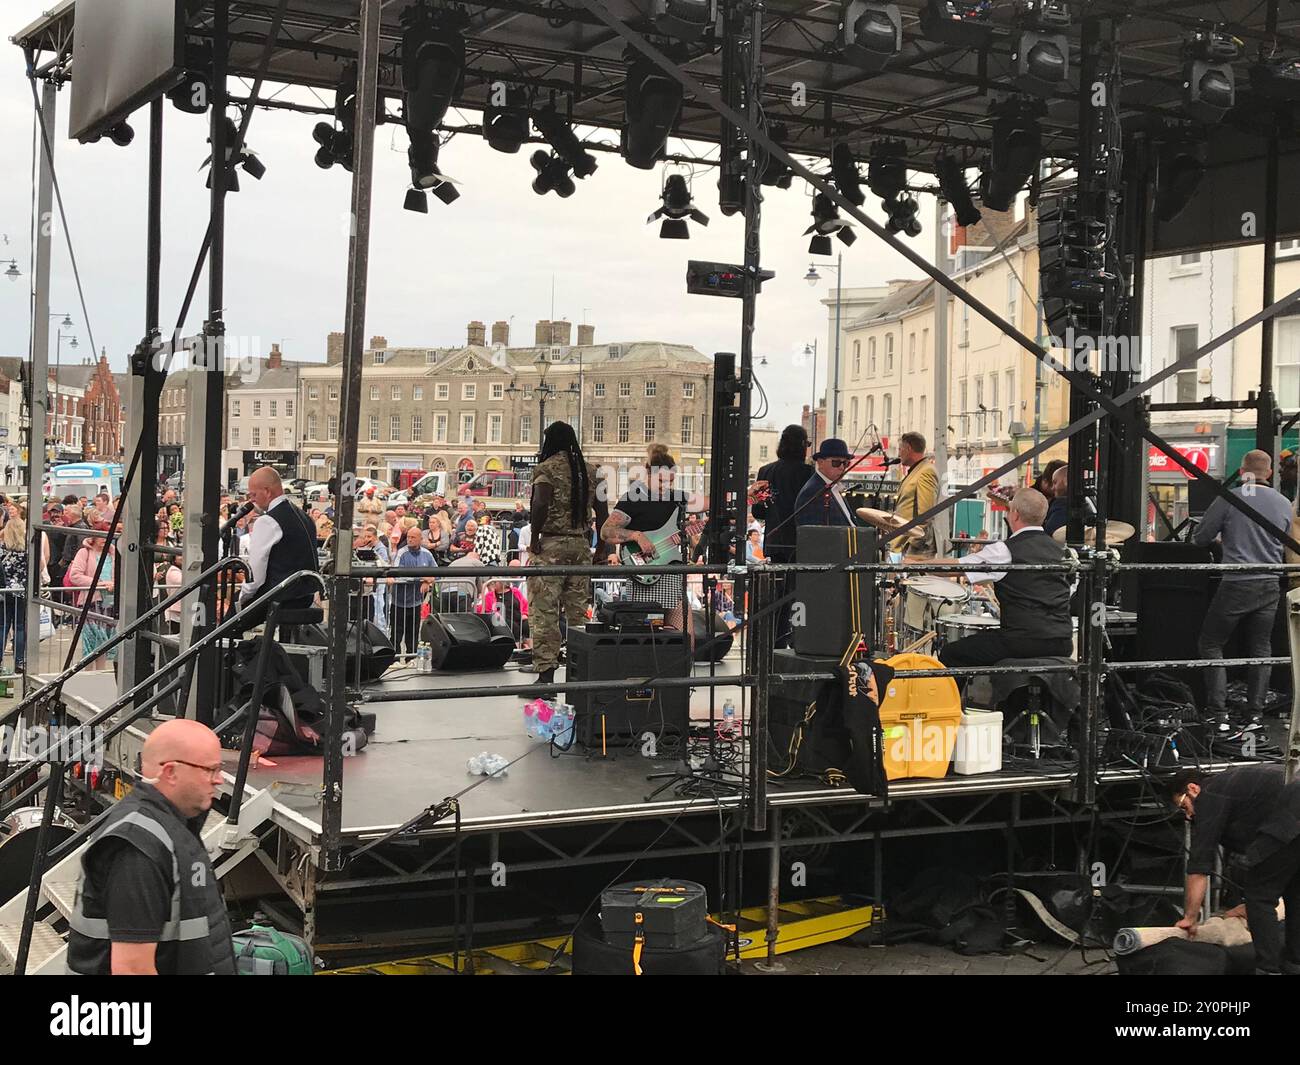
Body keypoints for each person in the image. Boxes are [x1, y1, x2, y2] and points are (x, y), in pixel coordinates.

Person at [66, 718, 235, 975]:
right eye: (210, 770)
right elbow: (132, 969)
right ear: (171, 772)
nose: (219, 779)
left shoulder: (173, 827)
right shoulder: (138, 847)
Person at [1193, 449, 1292, 728]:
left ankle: (1218, 712)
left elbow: (1201, 538)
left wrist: (1224, 543)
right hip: (1270, 582)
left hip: (1237, 582)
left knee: (1211, 643)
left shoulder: (1231, 497)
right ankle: (1255, 714)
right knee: (1261, 648)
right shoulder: (1284, 503)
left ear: (1241, 471)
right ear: (1270, 473)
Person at [1170, 766, 1300, 975]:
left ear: (1193, 788)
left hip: (1288, 822)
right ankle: (1295, 962)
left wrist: (1190, 917)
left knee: (1260, 897)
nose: (1188, 816)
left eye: (1184, 806)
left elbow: (1200, 863)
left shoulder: (1210, 794)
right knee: (1295, 893)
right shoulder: (1232, 782)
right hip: (1292, 817)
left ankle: (1268, 968)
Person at [936, 487, 1073, 669]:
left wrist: (914, 564)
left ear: (1014, 515)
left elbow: (955, 567)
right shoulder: (1061, 551)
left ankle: (973, 697)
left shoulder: (1005, 551)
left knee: (951, 653)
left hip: (1022, 641)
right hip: (1062, 641)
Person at [527, 422, 608, 690]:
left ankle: (546, 674)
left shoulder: (546, 468)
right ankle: (582, 673)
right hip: (581, 547)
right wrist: (603, 547)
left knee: (544, 612)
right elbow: (603, 511)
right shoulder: (592, 471)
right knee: (578, 614)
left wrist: (535, 536)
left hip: (550, 545)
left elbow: (540, 502)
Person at [601, 449, 700, 635]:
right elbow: (606, 532)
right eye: (661, 480)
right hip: (644, 577)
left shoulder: (676, 498)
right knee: (646, 639)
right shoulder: (633, 497)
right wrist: (636, 536)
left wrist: (746, 496)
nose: (665, 485)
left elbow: (709, 502)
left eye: (670, 481)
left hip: (671, 573)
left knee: (685, 639)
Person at [236, 466, 321, 626]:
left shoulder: (267, 521)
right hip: (304, 596)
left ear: (267, 491)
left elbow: (256, 577)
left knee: (227, 625)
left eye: (253, 494)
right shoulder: (304, 517)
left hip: (278, 597)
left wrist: (241, 598)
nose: (251, 500)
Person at [751, 424, 810, 564]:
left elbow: (758, 511)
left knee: (777, 583)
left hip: (774, 542)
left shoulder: (765, 471)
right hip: (800, 542)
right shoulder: (808, 473)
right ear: (802, 445)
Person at [66, 532, 118, 671]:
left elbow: (120, 574)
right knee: (90, 638)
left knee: (104, 638)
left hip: (109, 600)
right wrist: (100, 584)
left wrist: (114, 583)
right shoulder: (84, 553)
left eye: (107, 537)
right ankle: (88, 672)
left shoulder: (113, 553)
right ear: (93, 538)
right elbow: (75, 576)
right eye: (101, 537)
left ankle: (100, 671)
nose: (104, 540)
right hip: (90, 600)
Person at [794, 438, 862, 528]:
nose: (842, 467)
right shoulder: (812, 492)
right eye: (836, 462)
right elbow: (814, 535)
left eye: (845, 463)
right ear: (820, 462)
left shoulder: (834, 488)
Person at [891, 432, 938, 559]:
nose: (899, 453)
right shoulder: (918, 470)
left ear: (909, 448)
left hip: (914, 550)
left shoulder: (925, 472)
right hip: (905, 546)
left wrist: (910, 543)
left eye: (900, 449)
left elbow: (926, 514)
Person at [390, 525, 434, 656]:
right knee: (396, 632)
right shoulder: (401, 553)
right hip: (399, 601)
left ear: (421, 539)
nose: (409, 539)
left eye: (413, 537)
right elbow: (399, 573)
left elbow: (436, 572)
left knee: (413, 631)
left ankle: (412, 657)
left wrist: (428, 581)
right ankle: (395, 659)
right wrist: (422, 578)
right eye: (408, 537)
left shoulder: (427, 554)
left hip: (416, 601)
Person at [0, 516, 27, 673]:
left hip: (4, 592)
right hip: (21, 592)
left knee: (2, 626)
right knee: (20, 627)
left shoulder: (2, 550)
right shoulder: (27, 552)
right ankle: (19, 662)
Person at [1042, 464, 1068, 536]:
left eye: (1055, 482)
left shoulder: (1062, 503)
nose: (1052, 488)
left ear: (1066, 481)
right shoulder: (1089, 500)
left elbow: (1049, 532)